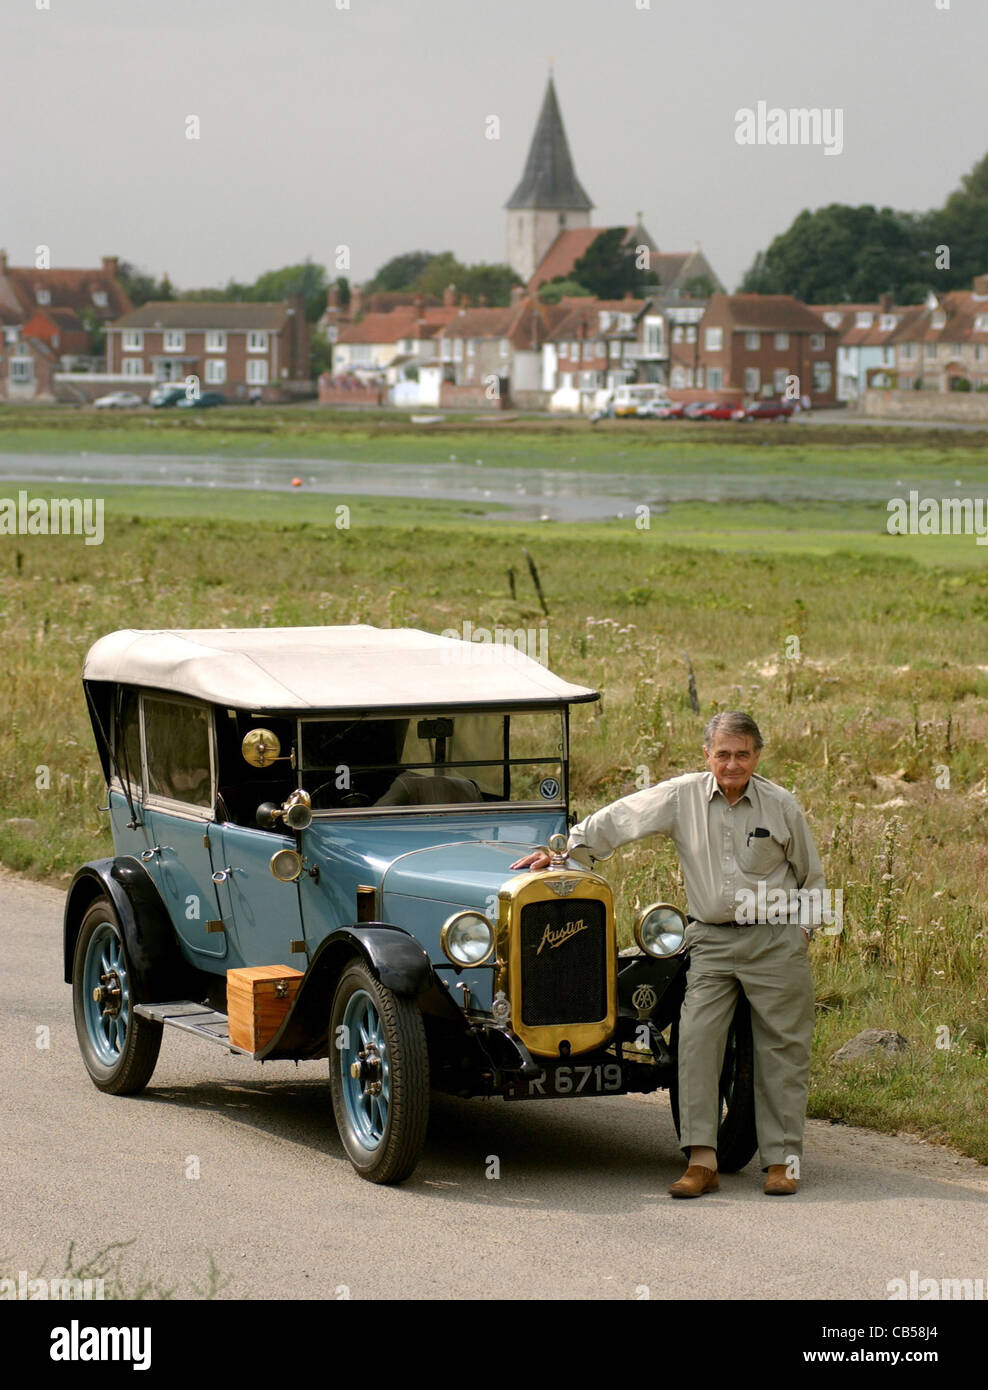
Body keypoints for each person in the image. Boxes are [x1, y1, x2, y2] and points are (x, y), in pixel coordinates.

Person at [510, 711, 824, 1198]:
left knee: (782, 1048)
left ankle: (782, 1162)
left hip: (775, 940)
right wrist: (564, 851)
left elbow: (812, 877)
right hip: (712, 941)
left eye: (743, 754)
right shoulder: (683, 795)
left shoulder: (781, 805)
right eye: (723, 754)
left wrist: (802, 932)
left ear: (757, 756)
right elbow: (624, 817)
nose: (733, 764)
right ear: (708, 756)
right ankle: (702, 1162)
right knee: (696, 1044)